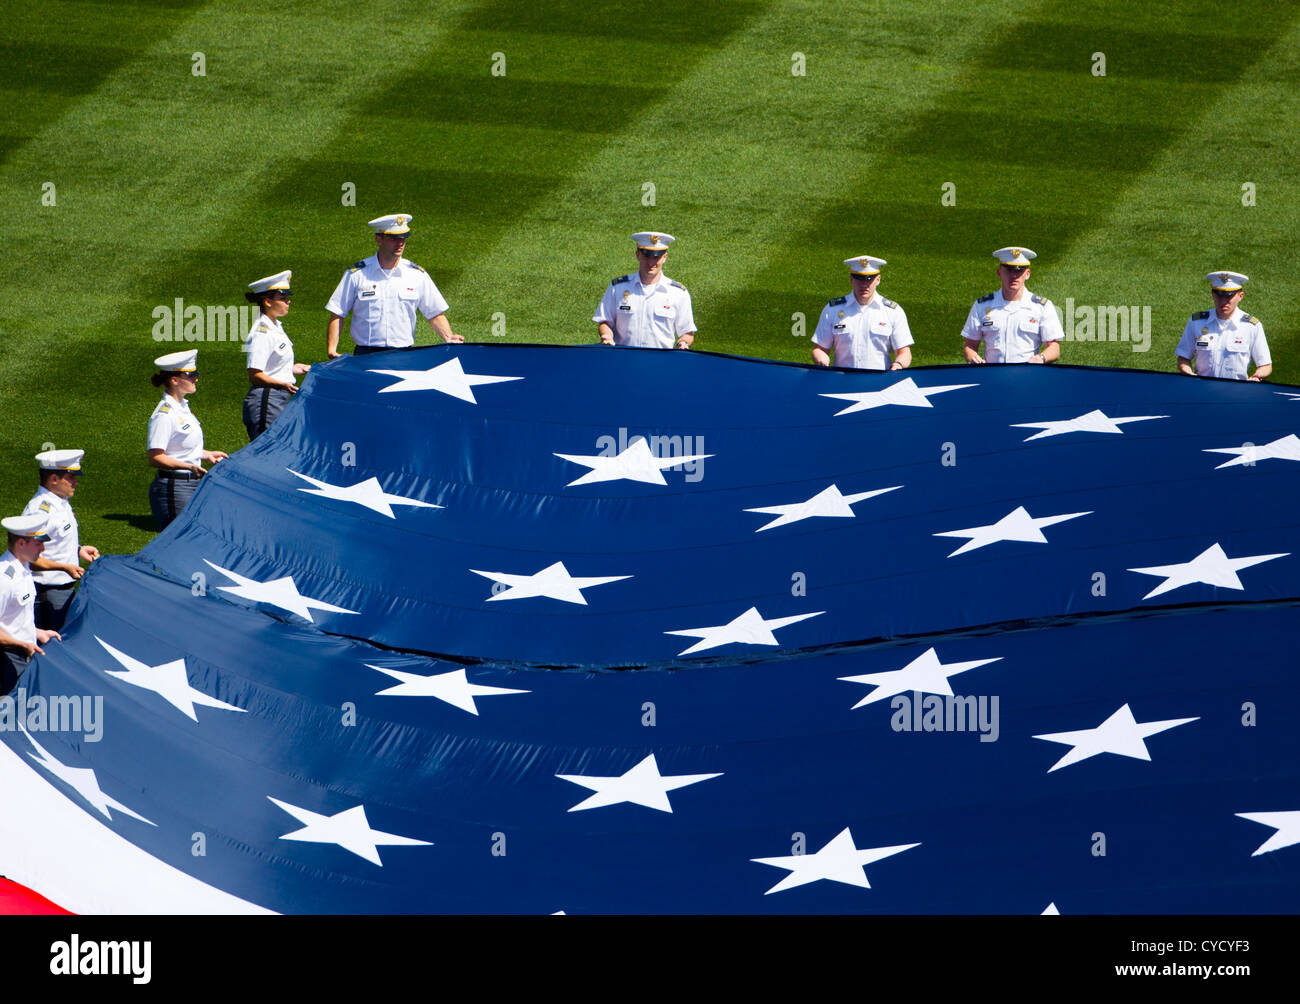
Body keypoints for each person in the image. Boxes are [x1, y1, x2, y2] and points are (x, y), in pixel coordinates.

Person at [325, 213, 463, 357]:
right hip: (366, 355)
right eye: (393, 238)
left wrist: (449, 337)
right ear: (379, 239)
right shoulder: (357, 274)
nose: (400, 243)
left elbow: (434, 313)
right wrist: (332, 350)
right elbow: (337, 312)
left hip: (404, 354)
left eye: (403, 238)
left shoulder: (416, 274)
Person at [146, 350, 228, 530]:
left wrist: (206, 455)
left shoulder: (182, 407)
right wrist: (189, 466)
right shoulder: (164, 415)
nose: (196, 379)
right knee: (179, 537)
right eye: (191, 375)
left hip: (190, 483)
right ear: (174, 380)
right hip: (174, 487)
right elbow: (155, 457)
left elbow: (179, 448)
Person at [22, 450, 99, 632]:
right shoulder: (40, 512)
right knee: (53, 642)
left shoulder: (60, 500)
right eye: (70, 477)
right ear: (54, 479)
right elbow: (28, 558)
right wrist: (64, 568)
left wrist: (78, 549)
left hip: (61, 587)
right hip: (48, 592)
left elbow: (52, 540)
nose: (76, 482)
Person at [594, 232, 697, 349]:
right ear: (638, 255)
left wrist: (683, 342)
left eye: (656, 257)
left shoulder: (678, 293)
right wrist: (606, 335)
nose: (651, 263)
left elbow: (687, 332)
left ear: (664, 257)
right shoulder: (618, 287)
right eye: (647, 256)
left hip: (660, 362)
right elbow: (605, 321)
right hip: (623, 360)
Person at [961, 247, 1063, 365]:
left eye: (1019, 271)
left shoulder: (1042, 307)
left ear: (1027, 274)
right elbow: (970, 345)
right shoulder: (982, 305)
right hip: (993, 376)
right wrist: (973, 357)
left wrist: (1041, 357)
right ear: (999, 272)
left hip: (1027, 376)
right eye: (1009, 270)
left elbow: (1054, 348)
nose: (1014, 276)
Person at [811, 255, 913, 370]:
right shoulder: (832, 309)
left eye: (869, 279)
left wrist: (899, 364)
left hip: (879, 383)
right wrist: (822, 359)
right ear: (851, 279)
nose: (864, 284)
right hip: (842, 382)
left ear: (878, 280)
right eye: (859, 279)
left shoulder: (893, 311)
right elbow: (819, 348)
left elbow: (904, 352)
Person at [243, 269, 310, 439]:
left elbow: (271, 365)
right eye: (283, 298)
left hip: (277, 397)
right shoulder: (261, 332)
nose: (288, 301)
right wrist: (283, 384)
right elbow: (255, 374)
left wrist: (293, 368)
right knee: (265, 453)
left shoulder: (275, 326)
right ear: (267, 302)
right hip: (267, 399)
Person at [0, 514, 61, 694]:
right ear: (21, 544)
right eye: (38, 543)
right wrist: (22, 644)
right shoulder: (5, 580)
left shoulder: (24, 568)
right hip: (8, 659)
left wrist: (38, 632)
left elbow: (12, 618)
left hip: (22, 653)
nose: (43, 548)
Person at [1175, 271, 1271, 381]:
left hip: (1235, 391)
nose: (1223, 301)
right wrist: (1188, 373)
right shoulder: (1197, 322)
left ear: (1240, 296)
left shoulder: (1251, 326)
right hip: (1202, 389)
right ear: (1212, 294)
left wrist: (1256, 377)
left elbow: (1265, 365)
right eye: (1219, 296)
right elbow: (1183, 357)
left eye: (1229, 297)